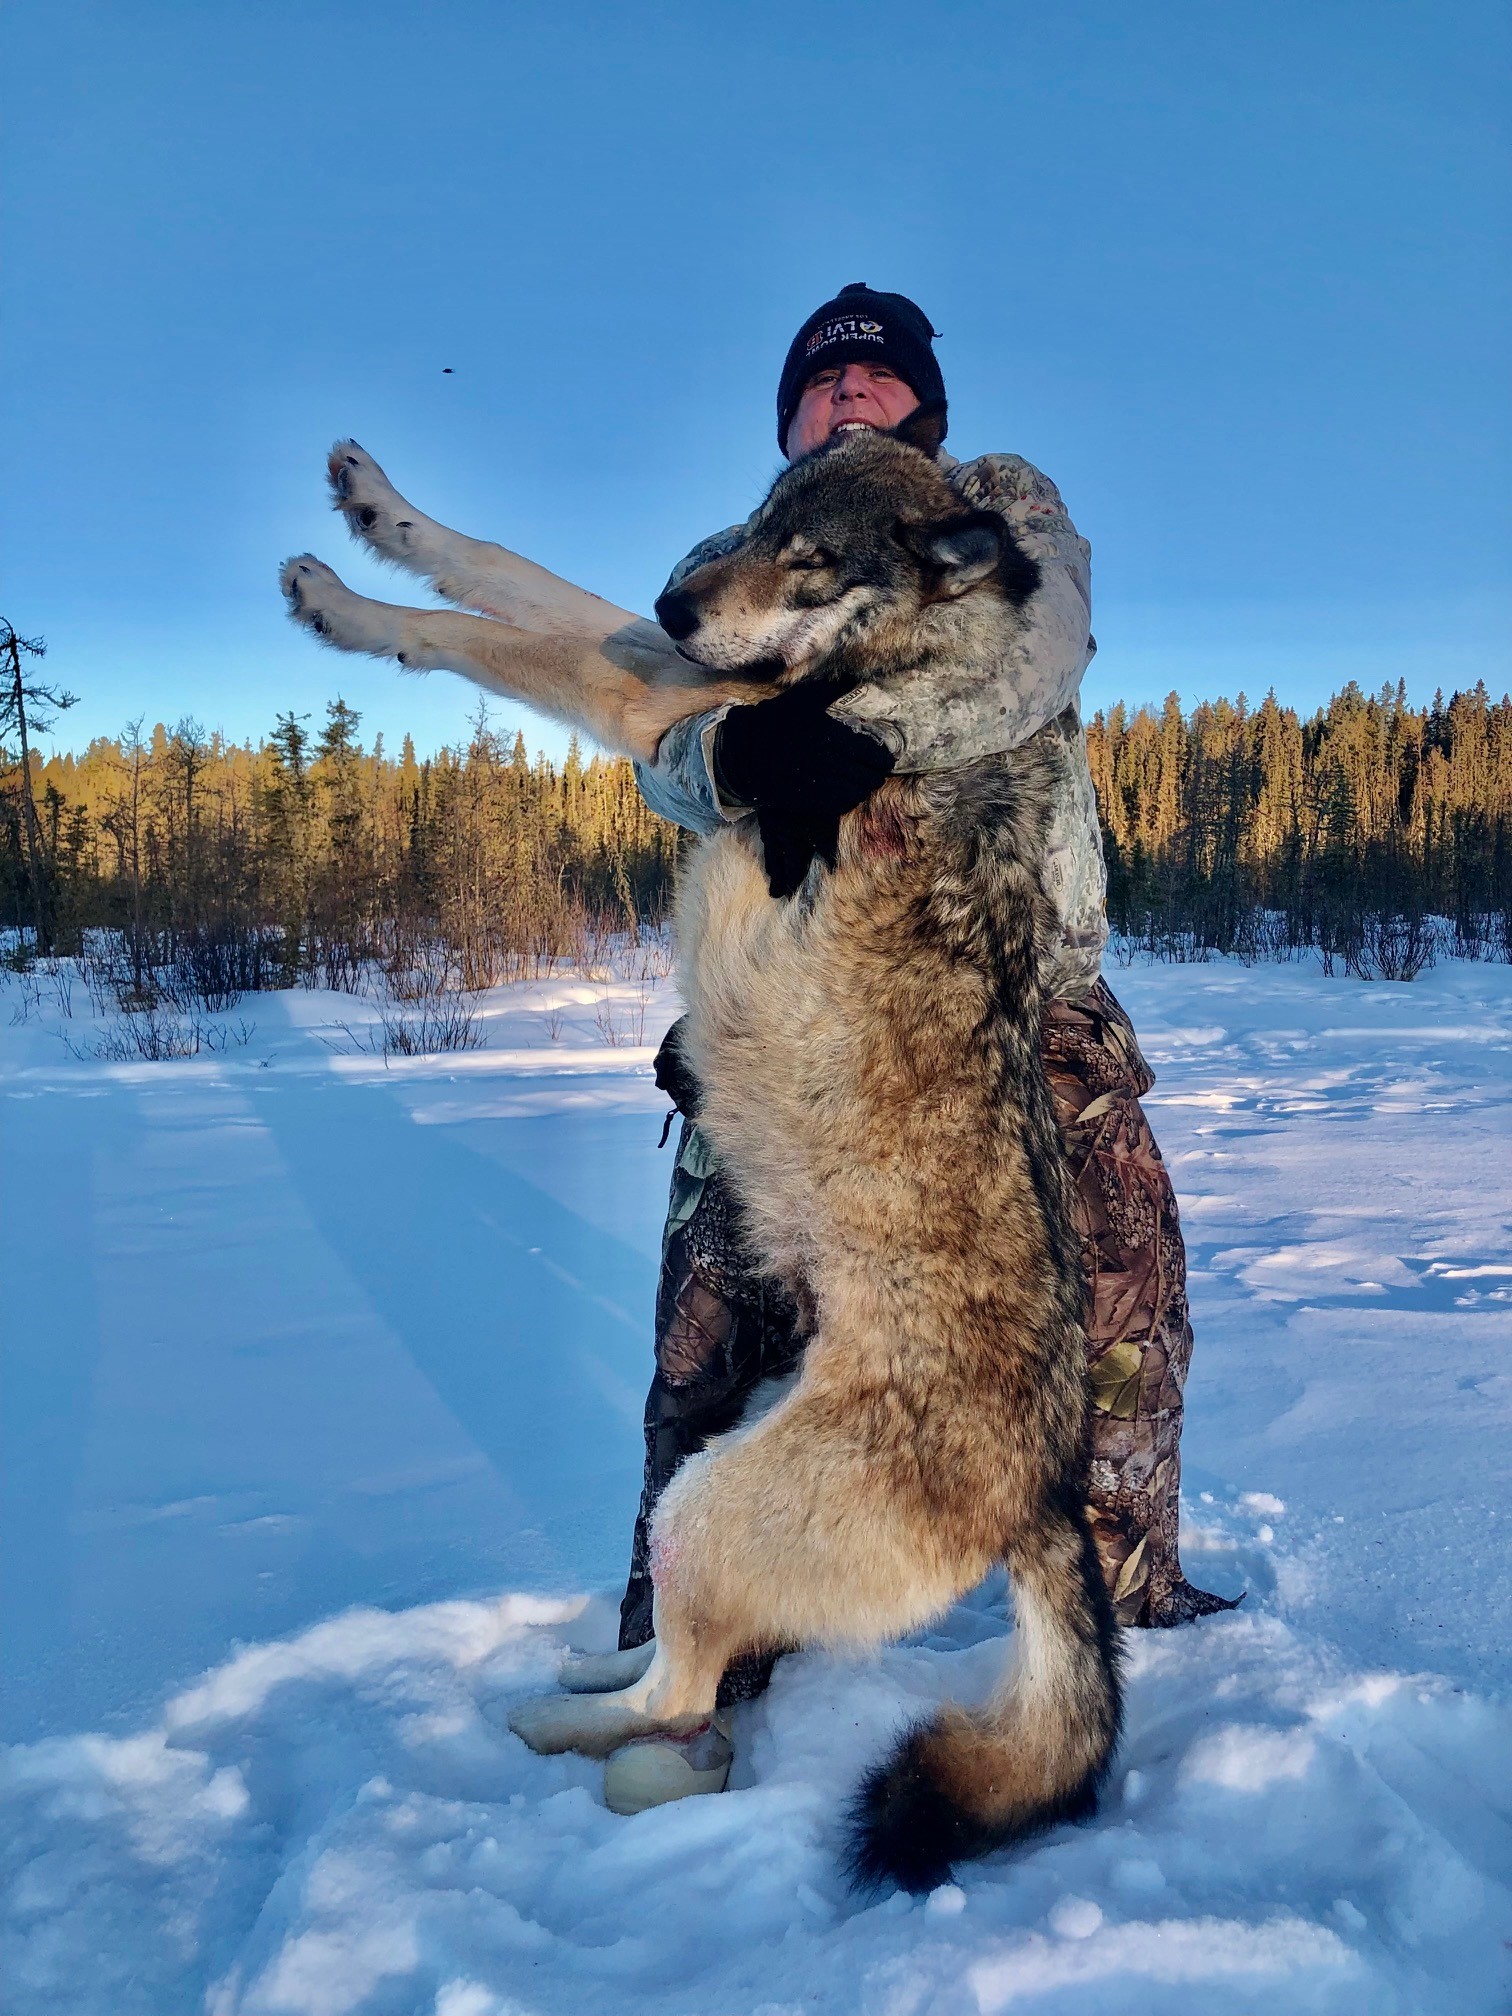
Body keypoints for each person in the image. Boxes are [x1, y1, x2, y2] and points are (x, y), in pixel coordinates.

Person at [602, 284, 1234, 1816]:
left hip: (1016, 986)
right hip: (812, 1001)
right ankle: (693, 1642)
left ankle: (1130, 1596)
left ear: (927, 407)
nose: (856, 397)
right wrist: (727, 754)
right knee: (713, 1336)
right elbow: (660, 743)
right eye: (827, 386)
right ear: (787, 419)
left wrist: (860, 731)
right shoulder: (731, 569)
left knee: (1113, 1303)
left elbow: (1035, 645)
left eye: (884, 379)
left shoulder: (991, 502)